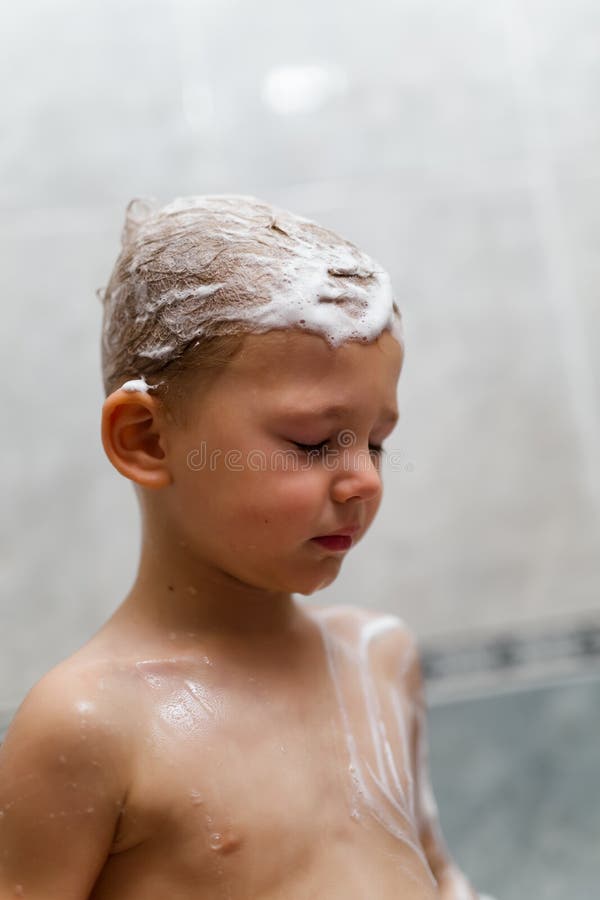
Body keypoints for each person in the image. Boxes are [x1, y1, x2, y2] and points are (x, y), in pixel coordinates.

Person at [0, 195, 483, 898]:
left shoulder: (379, 658)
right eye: (313, 443)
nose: (363, 480)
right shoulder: (90, 726)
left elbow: (440, 877)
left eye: (376, 441)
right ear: (147, 439)